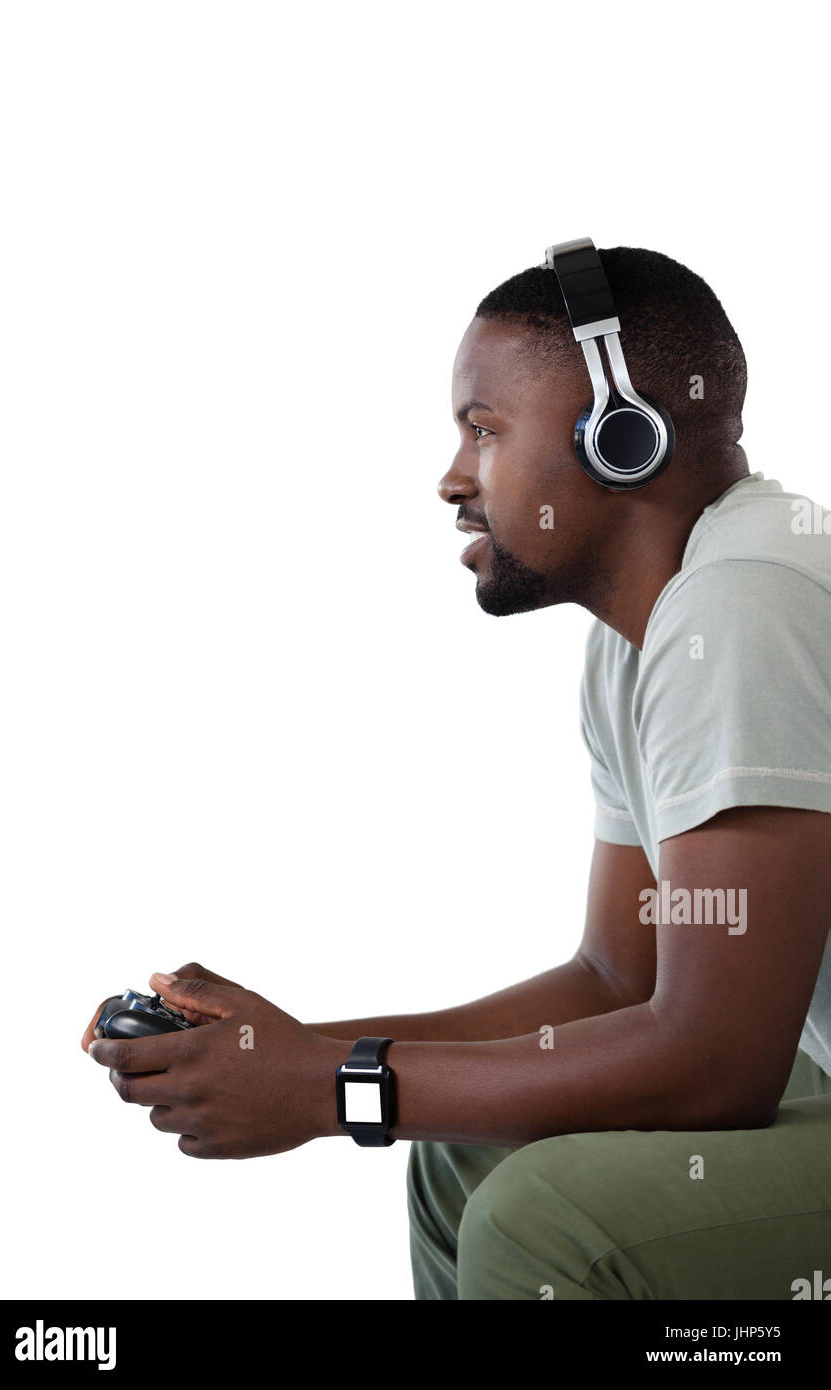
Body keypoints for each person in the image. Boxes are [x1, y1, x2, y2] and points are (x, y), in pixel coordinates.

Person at [82, 245, 831, 1301]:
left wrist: (332, 1092)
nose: (451, 476)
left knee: (546, 1218)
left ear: (623, 439)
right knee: (460, 1153)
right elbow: (621, 981)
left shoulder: (742, 602)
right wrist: (296, 1051)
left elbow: (716, 1065)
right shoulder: (647, 635)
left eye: (484, 430)